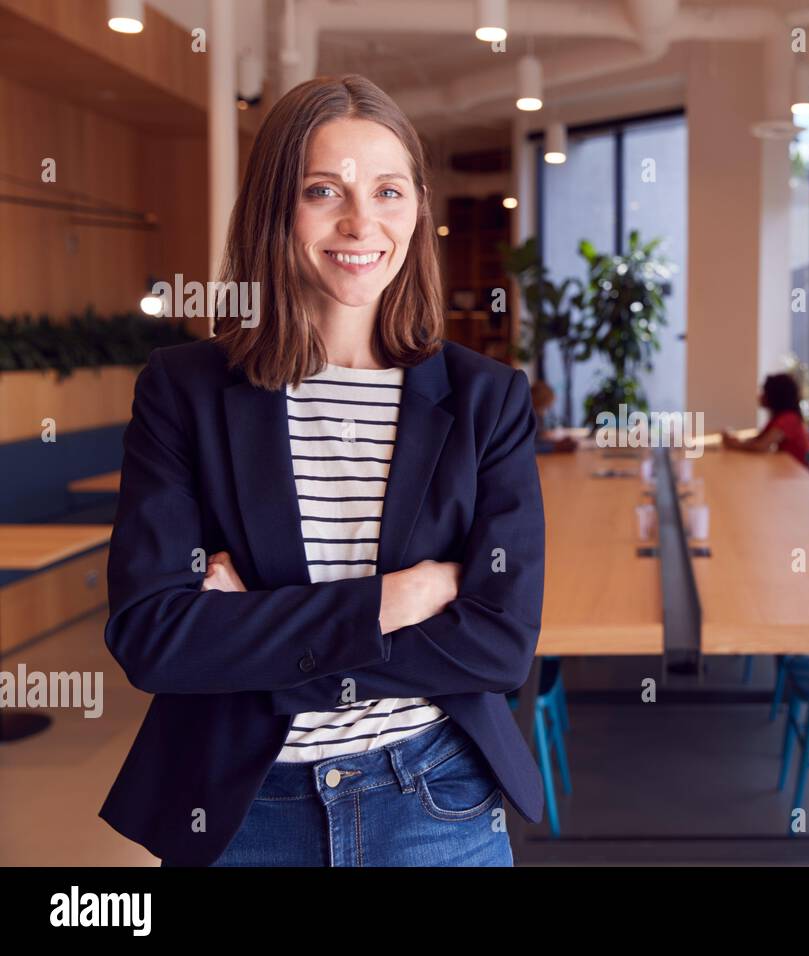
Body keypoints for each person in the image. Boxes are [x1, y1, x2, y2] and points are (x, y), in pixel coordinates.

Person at [99, 75, 546, 867]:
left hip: (435, 799)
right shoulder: (184, 391)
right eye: (323, 190)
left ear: (416, 208)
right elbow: (156, 639)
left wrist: (257, 633)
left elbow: (499, 648)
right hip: (244, 809)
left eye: (387, 190)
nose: (360, 222)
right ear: (278, 205)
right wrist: (397, 600)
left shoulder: (489, 400)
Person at [722, 372, 809, 469]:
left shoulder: (788, 419)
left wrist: (735, 445)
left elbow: (761, 446)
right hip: (787, 468)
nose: (760, 396)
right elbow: (759, 439)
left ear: (775, 396)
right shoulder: (781, 418)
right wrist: (737, 442)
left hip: (797, 473)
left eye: (765, 392)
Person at [531, 379, 577, 453]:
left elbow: (536, 439)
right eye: (546, 405)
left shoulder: (537, 416)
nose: (548, 409)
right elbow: (530, 446)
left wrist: (555, 443)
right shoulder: (531, 417)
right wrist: (556, 446)